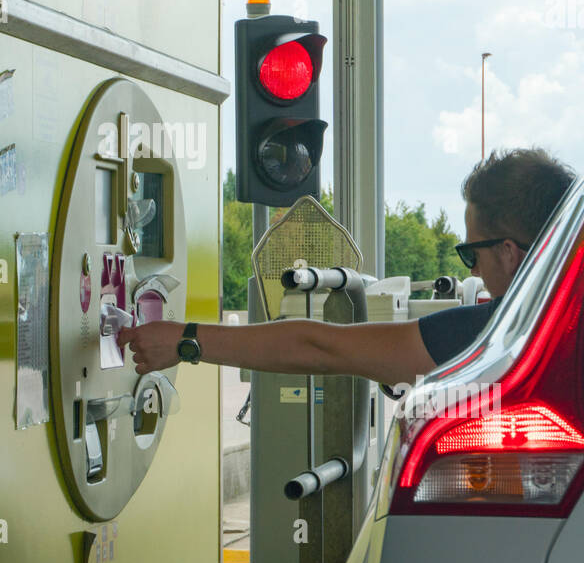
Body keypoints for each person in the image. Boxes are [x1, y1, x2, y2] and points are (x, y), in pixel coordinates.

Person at [117, 147, 577, 390]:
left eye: (471, 254)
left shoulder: (505, 333)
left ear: (511, 253)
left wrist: (185, 341)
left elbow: (322, 347)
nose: (473, 273)